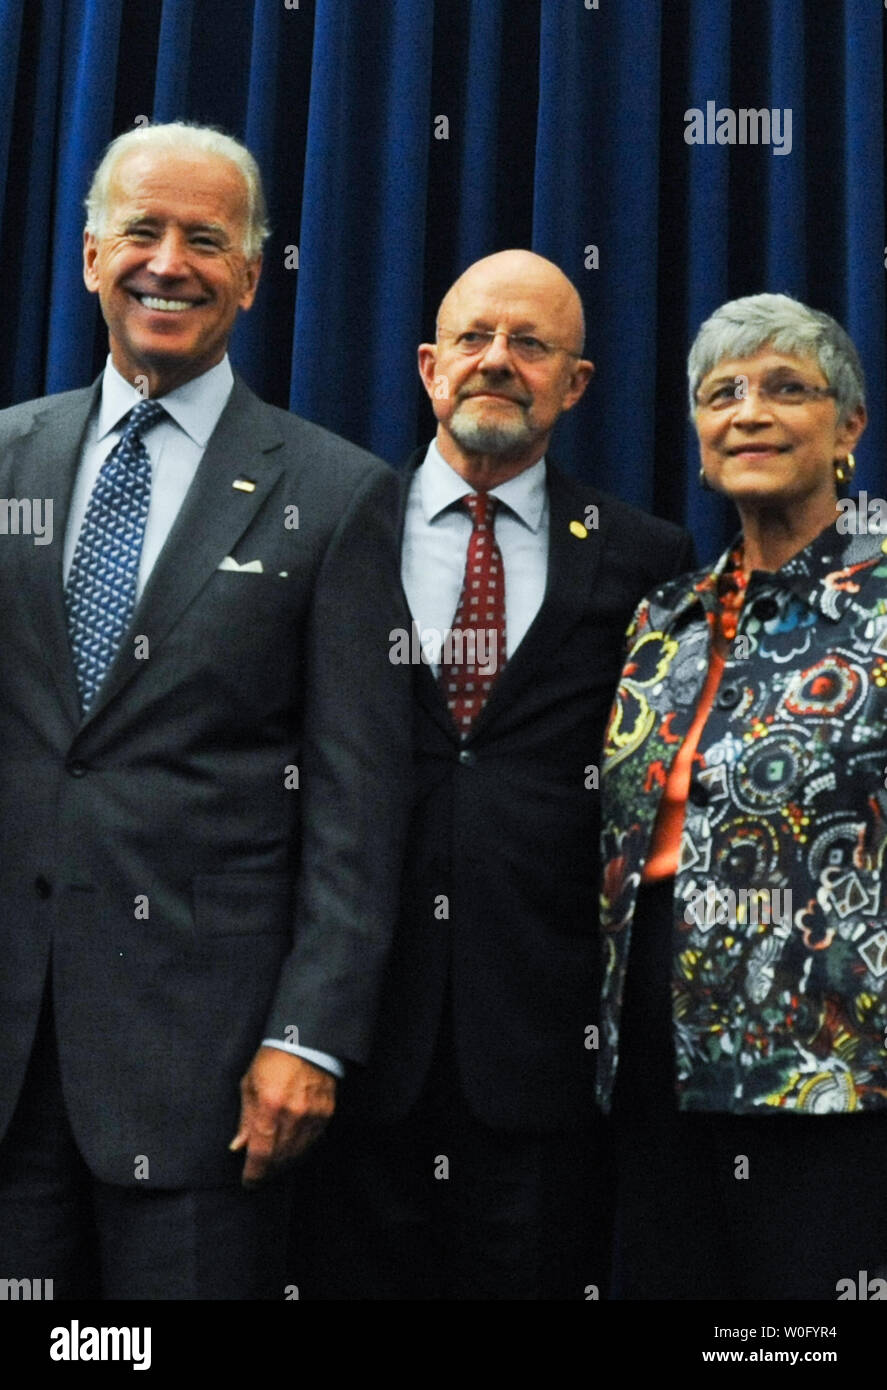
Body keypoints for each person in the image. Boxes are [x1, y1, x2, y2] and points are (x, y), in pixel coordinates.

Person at [0, 121, 409, 1299]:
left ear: (249, 272)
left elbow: (358, 800)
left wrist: (308, 1035)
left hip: (204, 1073)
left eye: (204, 239)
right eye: (141, 230)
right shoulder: (9, 462)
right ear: (89, 257)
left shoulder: (333, 495)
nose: (167, 262)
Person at [301, 249, 695, 1300]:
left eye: (531, 344)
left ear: (576, 384)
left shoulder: (645, 556)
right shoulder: (333, 528)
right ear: (429, 367)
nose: (497, 361)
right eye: (473, 338)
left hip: (542, 1049)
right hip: (349, 1044)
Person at [598, 292, 887, 1300]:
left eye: (783, 390)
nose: (747, 413)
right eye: (720, 394)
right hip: (651, 1058)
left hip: (831, 1063)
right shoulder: (660, 616)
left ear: (847, 425)